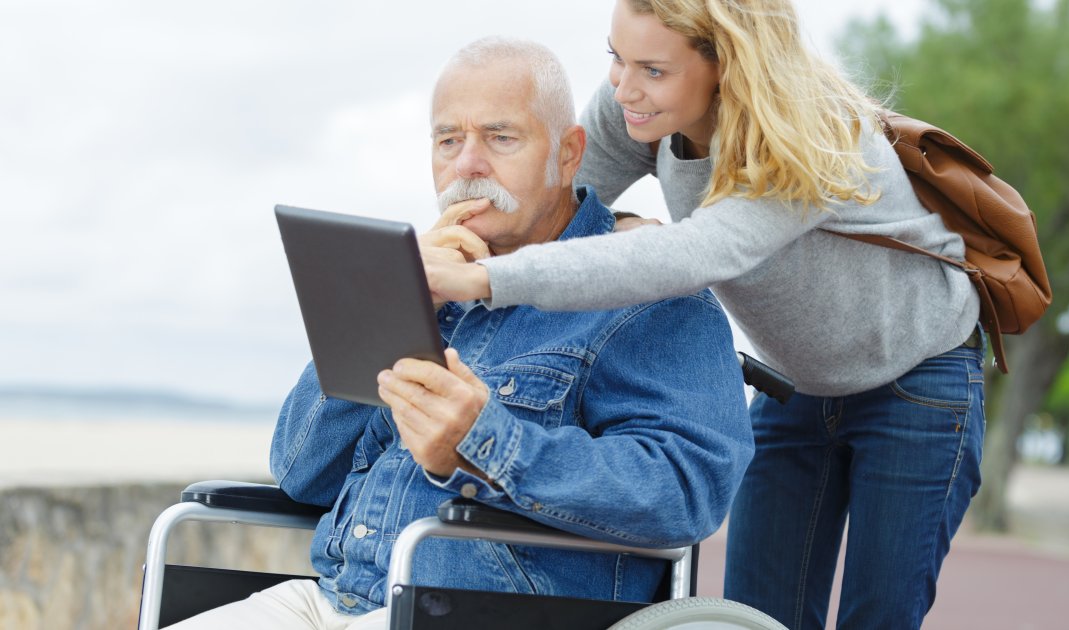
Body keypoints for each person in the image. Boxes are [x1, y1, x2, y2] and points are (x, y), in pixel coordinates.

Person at [422, 2, 987, 629]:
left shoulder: (816, 134)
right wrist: (464, 247)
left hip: (917, 380)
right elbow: (555, 210)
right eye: (616, 57)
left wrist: (482, 277)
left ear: (727, 65)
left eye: (654, 70)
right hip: (796, 382)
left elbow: (697, 252)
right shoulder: (634, 110)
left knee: (877, 617)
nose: (624, 88)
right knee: (756, 617)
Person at [163, 37, 753, 630]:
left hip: (488, 612)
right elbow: (301, 472)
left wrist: (484, 444)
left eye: (500, 137)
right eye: (449, 140)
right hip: (334, 598)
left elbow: (685, 490)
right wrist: (389, 304)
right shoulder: (423, 285)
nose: (467, 164)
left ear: (569, 153)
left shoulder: (647, 288)